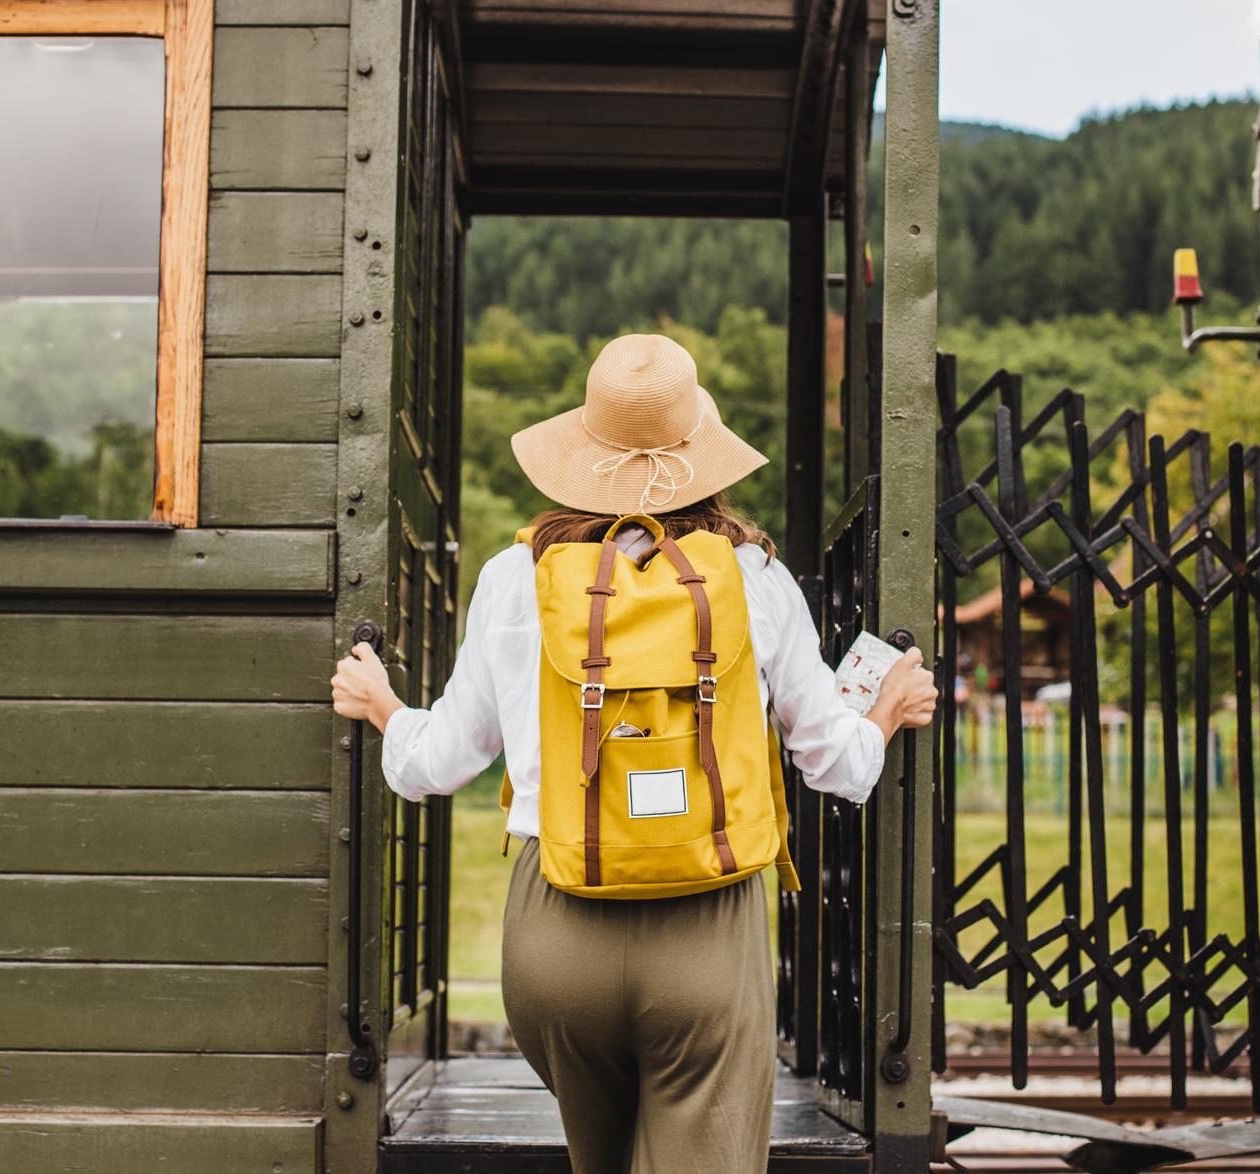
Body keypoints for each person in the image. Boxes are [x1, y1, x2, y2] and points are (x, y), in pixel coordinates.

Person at [331, 331, 938, 1174]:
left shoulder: (518, 578)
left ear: (579, 451)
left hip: (553, 933)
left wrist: (384, 706)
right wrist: (886, 711)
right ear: (707, 457)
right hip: (707, 929)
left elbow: (433, 767)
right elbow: (832, 763)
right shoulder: (756, 580)